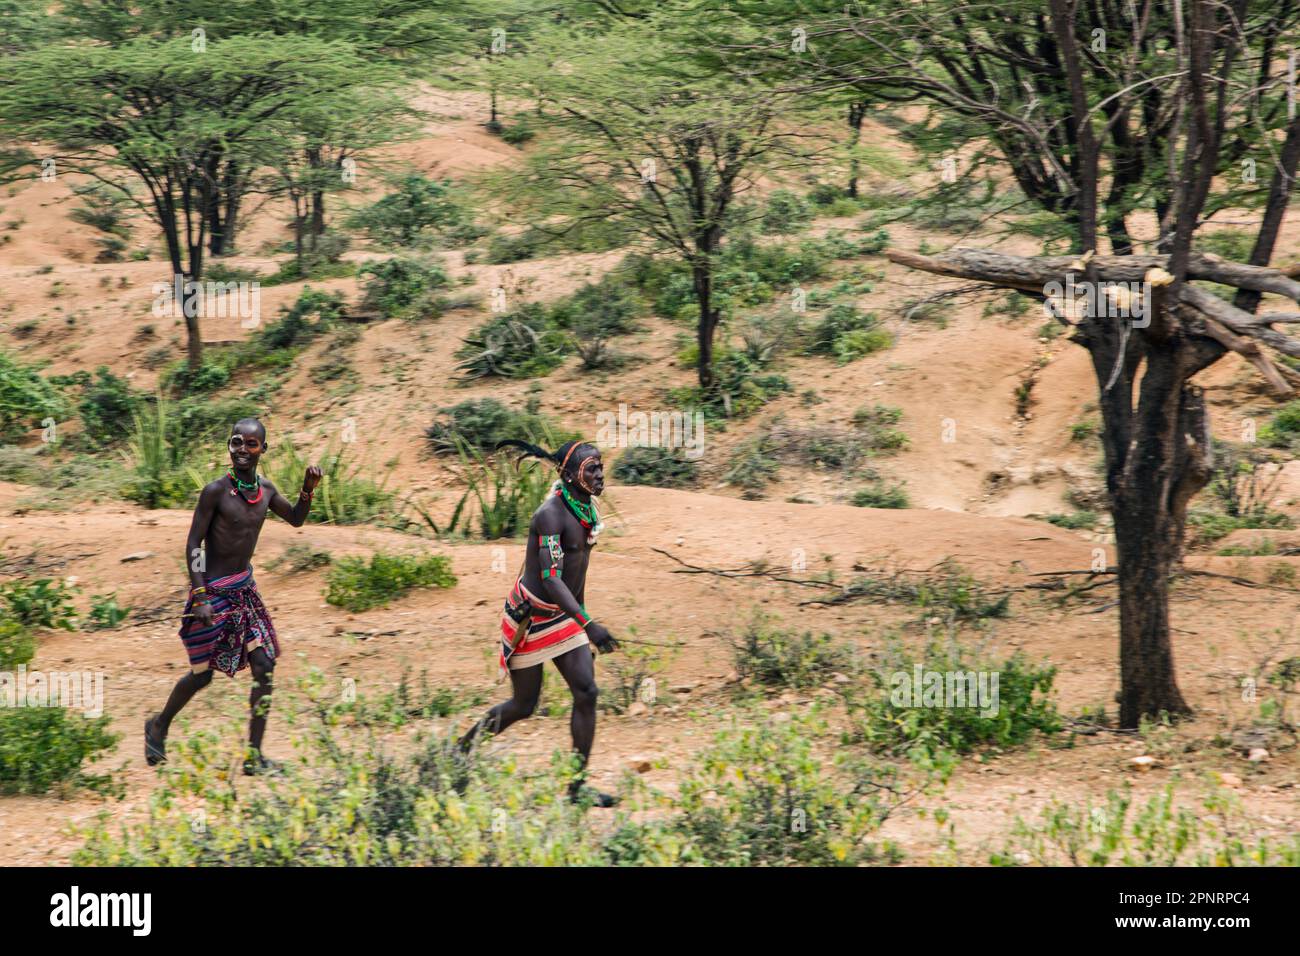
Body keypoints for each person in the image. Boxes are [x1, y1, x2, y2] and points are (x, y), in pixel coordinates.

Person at [144, 417, 322, 775]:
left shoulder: (266, 491)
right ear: (229, 446)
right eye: (236, 442)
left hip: (244, 590)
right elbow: (194, 543)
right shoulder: (214, 492)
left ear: (263, 450)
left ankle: (254, 758)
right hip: (212, 593)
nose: (242, 449)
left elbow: (297, 519)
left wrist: (307, 488)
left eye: (251, 444)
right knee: (202, 675)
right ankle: (159, 724)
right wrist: (199, 596)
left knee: (265, 667)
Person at [459, 439, 620, 806]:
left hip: (565, 616)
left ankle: (576, 789)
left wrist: (581, 622)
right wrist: (590, 624)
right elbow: (550, 578)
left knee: (587, 692)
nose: (598, 474)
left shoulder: (586, 508)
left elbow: (575, 575)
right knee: (523, 705)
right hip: (531, 618)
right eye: (589, 469)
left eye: (599, 466)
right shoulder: (550, 515)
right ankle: (457, 754)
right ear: (567, 474)